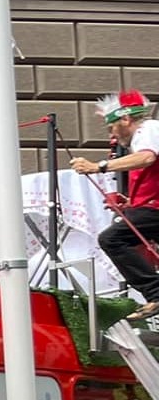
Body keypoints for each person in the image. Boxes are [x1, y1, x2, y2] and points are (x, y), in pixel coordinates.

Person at [74, 90, 159, 315]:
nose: (112, 134)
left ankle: (156, 294)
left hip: (154, 209)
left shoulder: (147, 129)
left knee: (112, 239)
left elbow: (147, 157)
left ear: (125, 119)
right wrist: (131, 201)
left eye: (111, 126)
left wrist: (97, 166)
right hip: (150, 207)